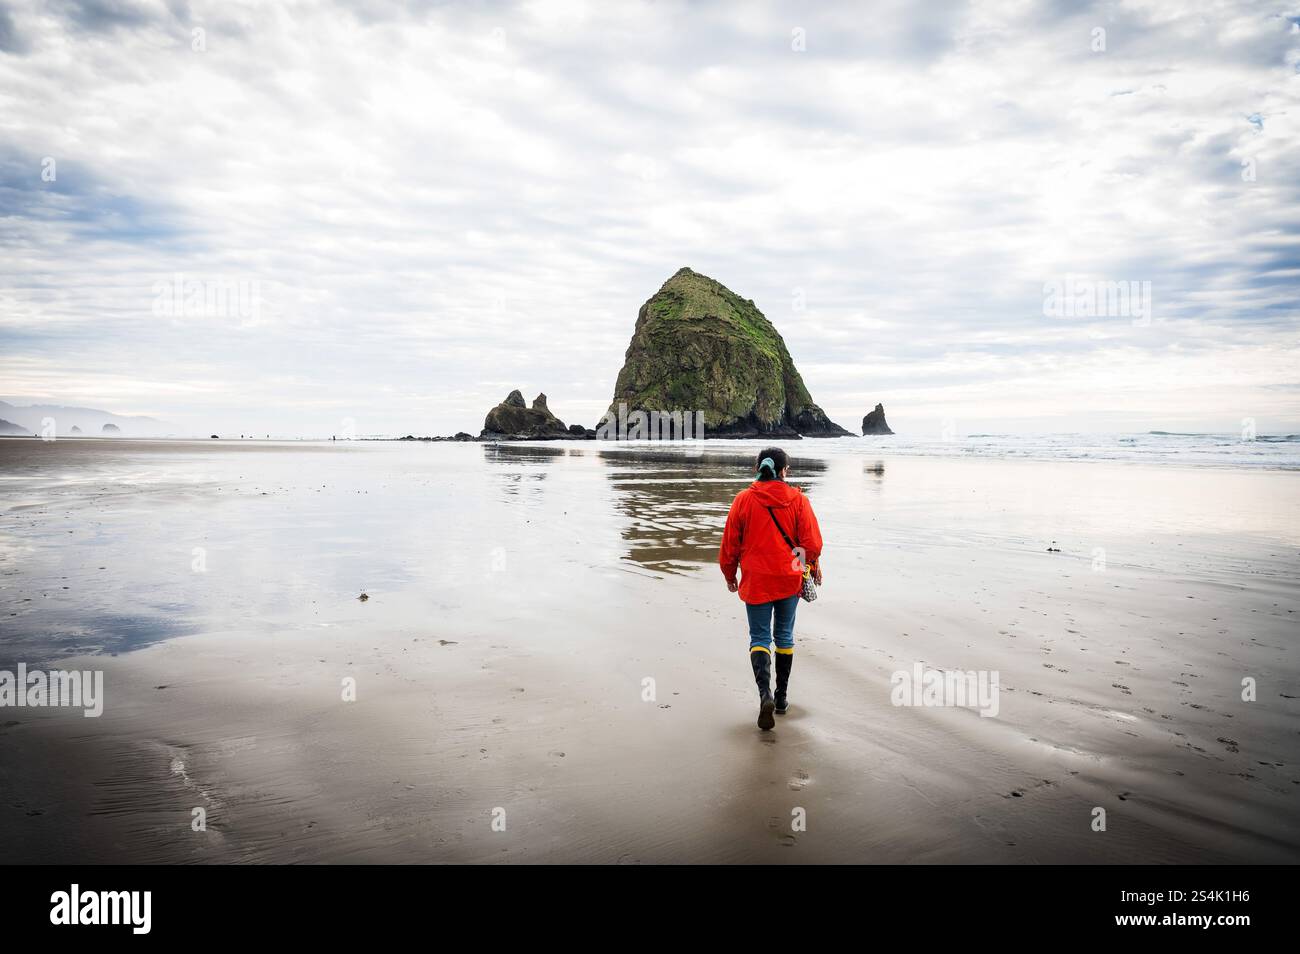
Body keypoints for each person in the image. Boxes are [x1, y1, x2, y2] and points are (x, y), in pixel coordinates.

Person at [718, 447, 823, 730]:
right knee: (785, 635)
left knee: (760, 638)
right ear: (785, 471)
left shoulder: (743, 500)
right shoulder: (799, 501)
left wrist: (730, 575)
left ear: (757, 469)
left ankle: (764, 695)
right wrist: (806, 563)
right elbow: (811, 545)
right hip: (789, 577)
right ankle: (781, 698)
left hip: (756, 579)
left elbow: (730, 544)